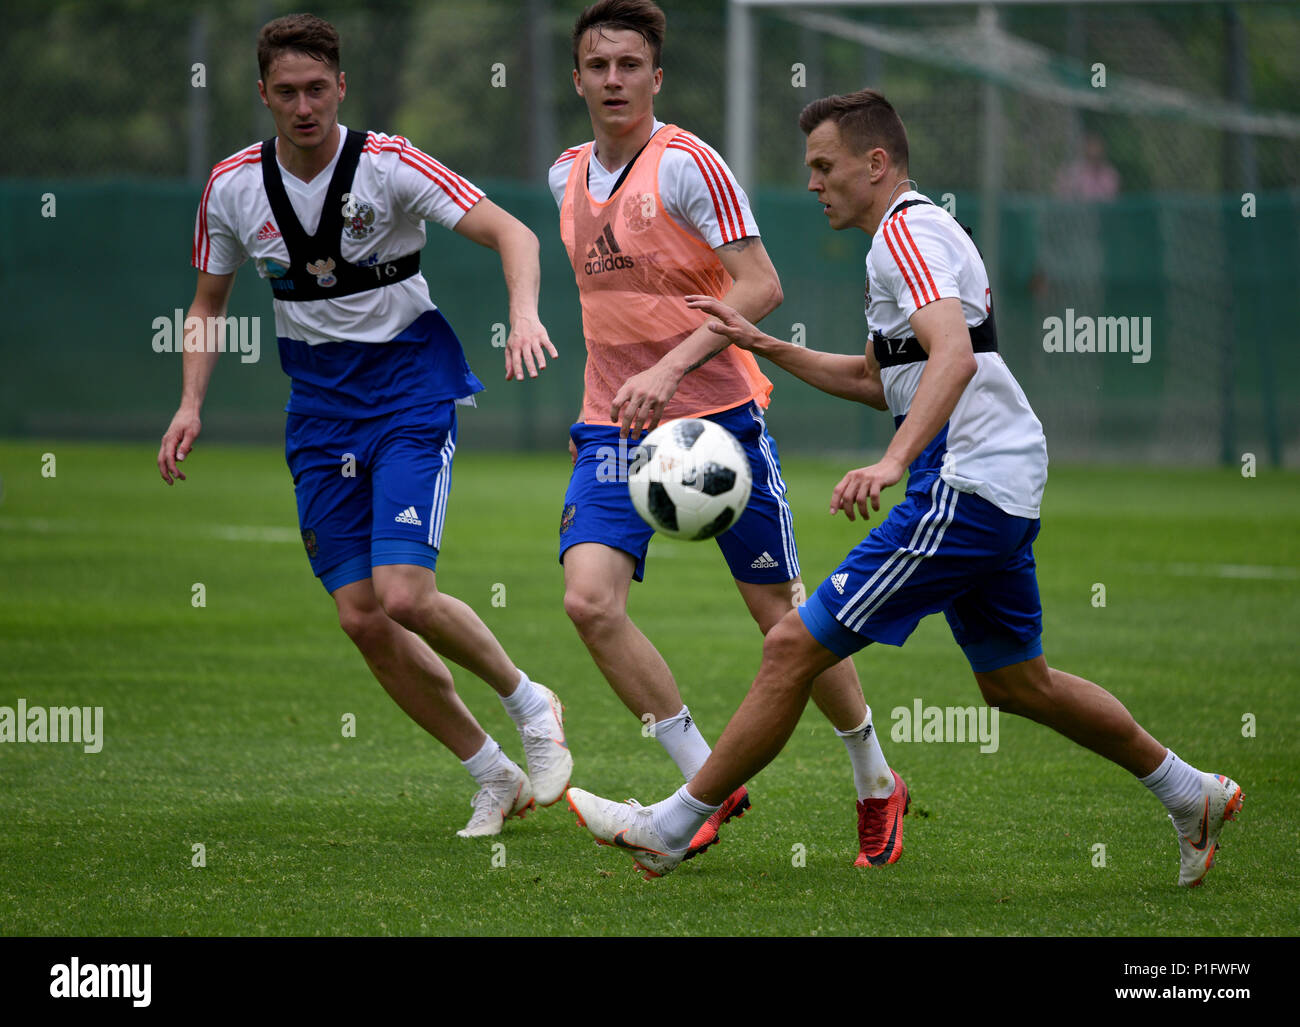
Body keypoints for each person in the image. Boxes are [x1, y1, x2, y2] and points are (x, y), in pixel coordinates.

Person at [567, 89, 1242, 886]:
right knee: (1018, 682)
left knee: (790, 644)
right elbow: (872, 377)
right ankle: (1189, 790)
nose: (814, 183)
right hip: (993, 478)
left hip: (965, 480)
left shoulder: (907, 234)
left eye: (824, 166)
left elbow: (951, 357)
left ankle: (671, 825)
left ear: (875, 162)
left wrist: (891, 464)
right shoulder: (901, 241)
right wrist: (762, 344)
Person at [158, 13, 572, 838]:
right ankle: (493, 774)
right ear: (264, 95)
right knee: (360, 615)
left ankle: (530, 701)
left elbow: (512, 230)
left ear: (341, 87)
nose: (304, 105)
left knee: (404, 593)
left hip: (409, 389)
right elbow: (207, 306)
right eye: (287, 92)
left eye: (318, 88)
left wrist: (523, 313)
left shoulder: (387, 165)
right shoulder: (233, 187)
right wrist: (190, 402)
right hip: (317, 409)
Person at [553, 1, 907, 867]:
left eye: (630, 65)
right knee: (588, 601)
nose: (613, 80)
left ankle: (874, 777)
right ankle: (705, 784)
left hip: (717, 425)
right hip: (614, 426)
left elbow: (761, 285)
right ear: (577, 77)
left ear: (656, 77)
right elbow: (605, 316)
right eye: (598, 66)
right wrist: (605, 403)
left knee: (782, 619)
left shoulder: (688, 166)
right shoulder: (565, 172)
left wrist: (670, 368)